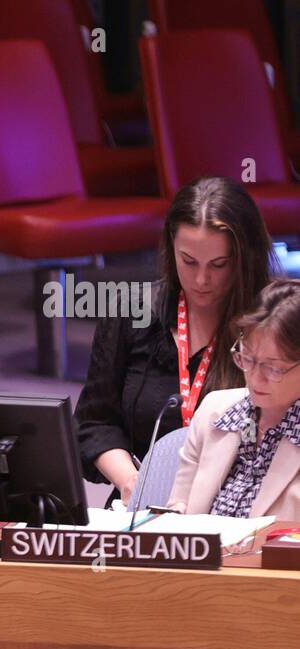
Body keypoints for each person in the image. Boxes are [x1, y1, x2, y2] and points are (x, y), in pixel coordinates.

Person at [76, 176, 277, 504]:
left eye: (219, 265)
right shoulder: (132, 312)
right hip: (145, 507)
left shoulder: (274, 320)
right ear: (170, 248)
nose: (201, 280)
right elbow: (94, 422)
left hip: (244, 508)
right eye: (189, 261)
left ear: (245, 258)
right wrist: (130, 481)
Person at [168, 280, 300, 521]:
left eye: (273, 368)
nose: (255, 378)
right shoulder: (215, 411)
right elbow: (179, 509)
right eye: (247, 358)